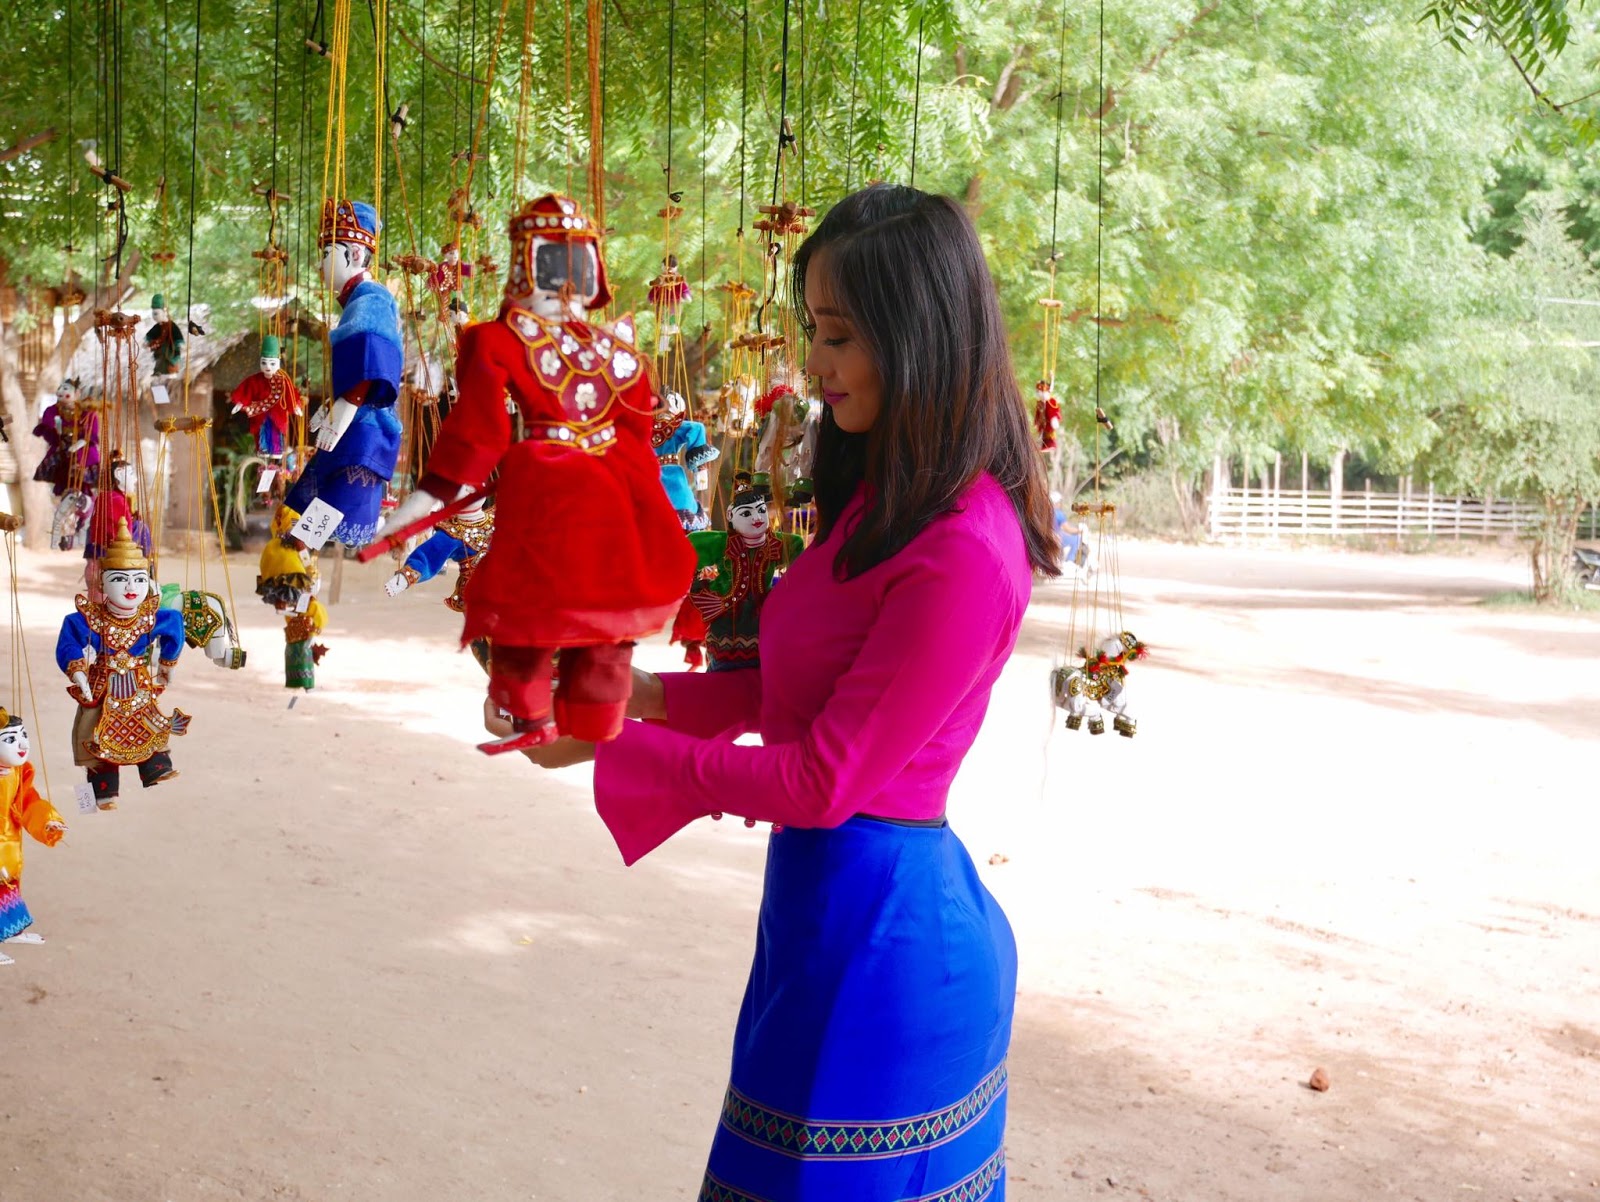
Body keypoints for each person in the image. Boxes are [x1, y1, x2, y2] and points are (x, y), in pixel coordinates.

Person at [492, 184, 1060, 1201]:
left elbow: (821, 778)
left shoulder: (965, 547)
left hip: (890, 940)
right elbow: (786, 694)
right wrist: (606, 688)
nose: (814, 365)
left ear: (917, 335)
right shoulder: (885, 501)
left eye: (838, 336)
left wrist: (608, 742)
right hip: (821, 916)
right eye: (813, 331)